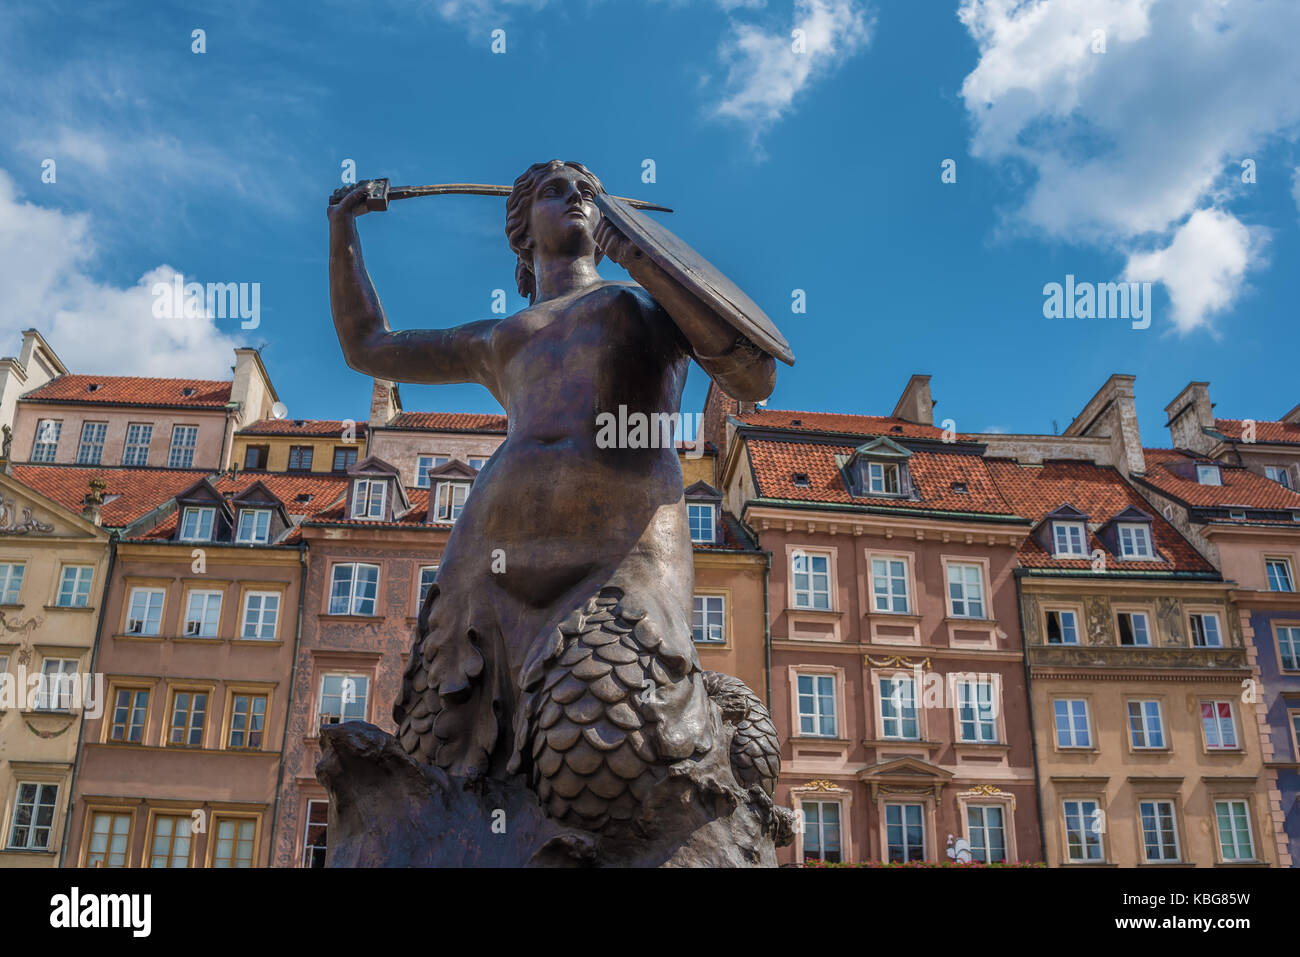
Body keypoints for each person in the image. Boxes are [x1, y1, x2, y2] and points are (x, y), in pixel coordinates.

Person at [328, 160, 780, 830]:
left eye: (589, 191)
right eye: (553, 189)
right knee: (438, 755)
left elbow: (753, 372)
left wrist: (643, 254)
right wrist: (342, 230)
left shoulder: (649, 304)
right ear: (522, 229)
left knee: (603, 748)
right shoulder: (500, 336)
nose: (576, 196)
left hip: (618, 553)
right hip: (486, 560)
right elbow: (368, 346)